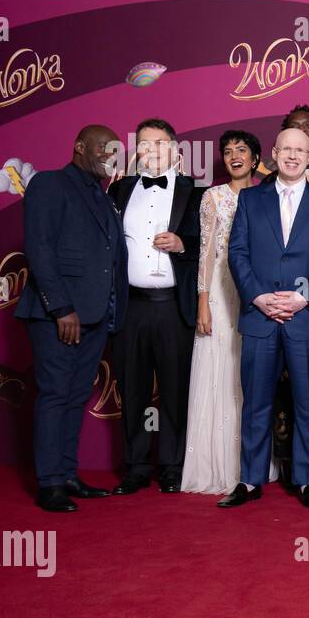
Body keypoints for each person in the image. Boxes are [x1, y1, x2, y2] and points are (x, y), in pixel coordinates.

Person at [223, 128, 309, 509]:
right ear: (273, 153)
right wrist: (258, 297)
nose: (292, 156)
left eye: (300, 150)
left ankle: (307, 481)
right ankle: (250, 480)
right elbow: (237, 252)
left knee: (307, 401)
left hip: (306, 317)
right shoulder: (250, 199)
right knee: (256, 401)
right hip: (260, 316)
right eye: (286, 149)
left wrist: (301, 298)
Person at [17, 125, 127, 512]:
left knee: (76, 396)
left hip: (95, 315)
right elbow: (40, 247)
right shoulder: (49, 184)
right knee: (55, 394)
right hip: (60, 316)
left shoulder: (103, 196)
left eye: (115, 150)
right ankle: (48, 484)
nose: (111, 155)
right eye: (103, 148)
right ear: (79, 147)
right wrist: (61, 308)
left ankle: (66, 474)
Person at [109, 118, 202, 497]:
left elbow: (212, 248)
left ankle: (172, 465)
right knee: (131, 387)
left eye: (160, 144)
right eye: (144, 145)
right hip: (131, 305)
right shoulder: (118, 190)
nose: (152, 151)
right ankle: (136, 465)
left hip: (172, 305)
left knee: (175, 389)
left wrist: (183, 246)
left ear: (176, 151)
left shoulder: (196, 192)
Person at [181, 130, 269, 495]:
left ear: (255, 157)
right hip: (220, 291)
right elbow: (205, 253)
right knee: (219, 370)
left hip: (256, 291)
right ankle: (215, 465)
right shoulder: (213, 197)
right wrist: (203, 299)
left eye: (242, 150)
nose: (234, 156)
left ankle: (250, 465)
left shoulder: (266, 193)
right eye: (228, 151)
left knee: (250, 374)